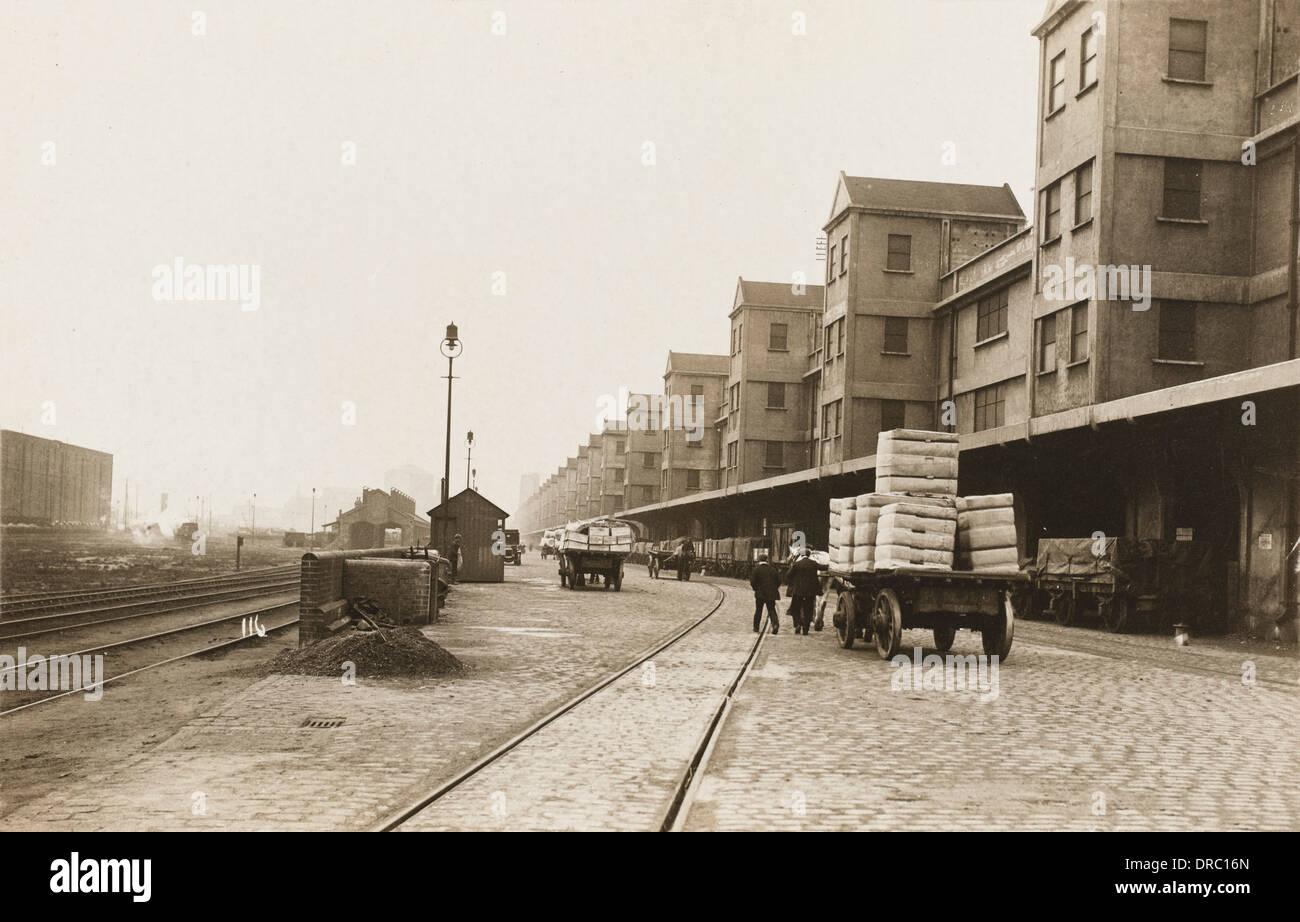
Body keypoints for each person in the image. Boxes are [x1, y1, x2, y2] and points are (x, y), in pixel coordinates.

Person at [785, 546, 823, 635]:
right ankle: (806, 629)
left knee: (795, 608)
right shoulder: (813, 563)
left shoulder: (797, 564)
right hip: (810, 592)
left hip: (798, 591)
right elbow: (823, 567)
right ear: (809, 555)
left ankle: (797, 624)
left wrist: (795, 581)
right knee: (808, 610)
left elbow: (788, 575)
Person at [750, 551, 781, 634]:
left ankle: (756, 627)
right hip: (771, 594)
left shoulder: (756, 569)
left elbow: (753, 582)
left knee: (758, 611)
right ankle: (775, 625)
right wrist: (774, 588)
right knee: (771, 610)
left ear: (759, 560)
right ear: (767, 560)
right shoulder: (773, 570)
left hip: (760, 594)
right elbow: (778, 581)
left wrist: (756, 589)